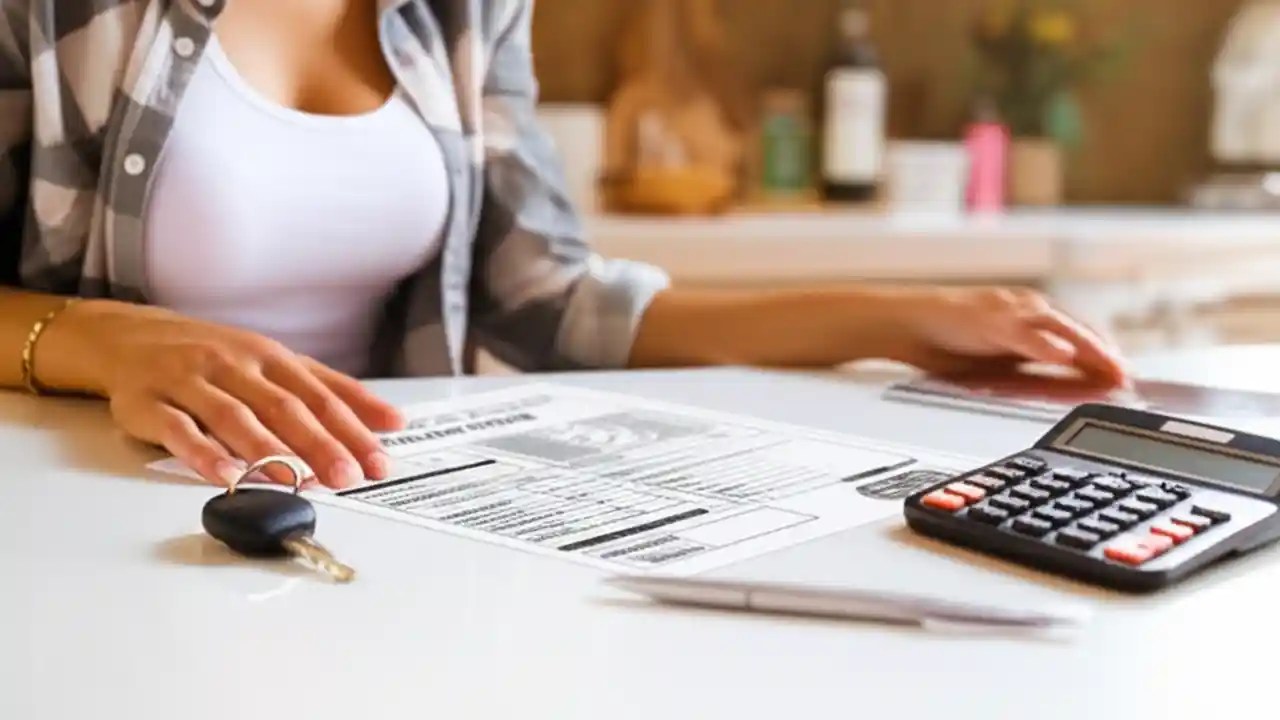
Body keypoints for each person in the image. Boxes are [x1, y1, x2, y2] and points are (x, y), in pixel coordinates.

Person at [0, 0, 1127, 490]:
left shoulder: (463, 7)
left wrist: (897, 317)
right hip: (93, 496)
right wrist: (99, 342)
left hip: (364, 494)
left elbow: (548, 301)